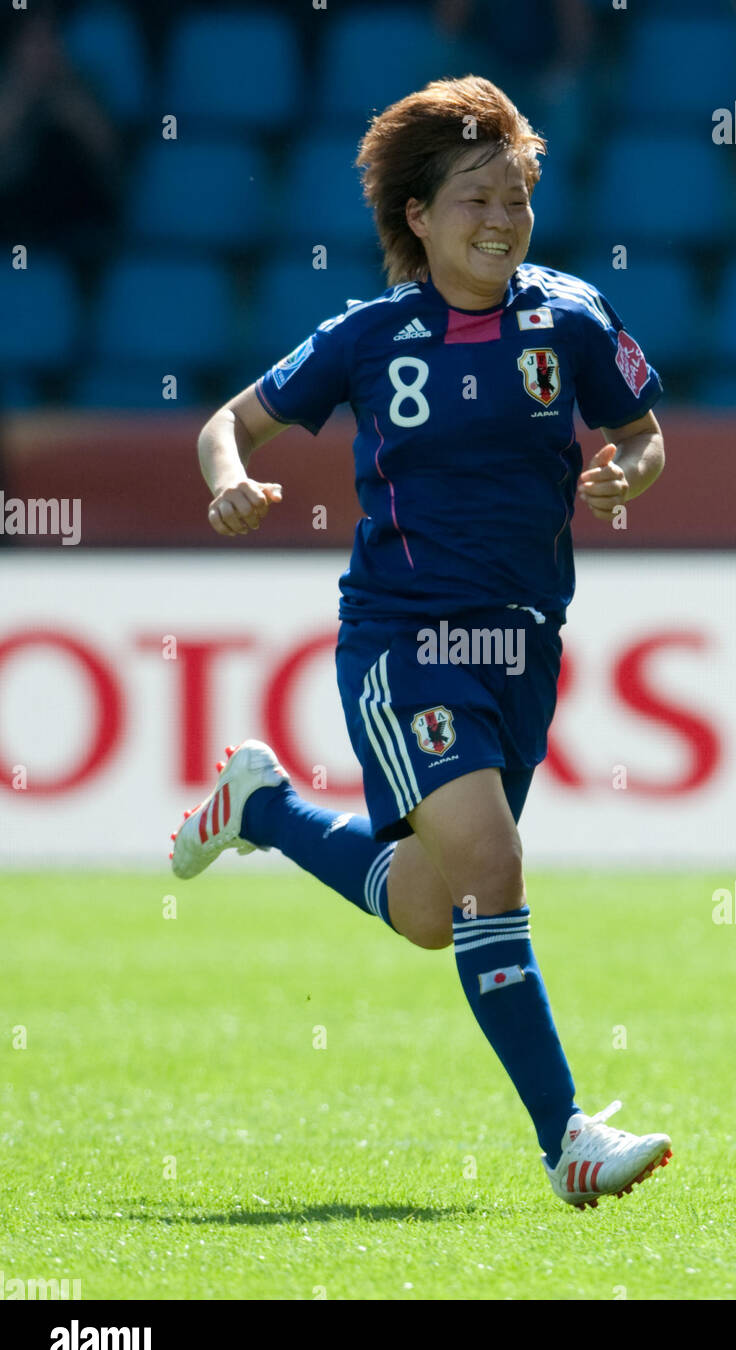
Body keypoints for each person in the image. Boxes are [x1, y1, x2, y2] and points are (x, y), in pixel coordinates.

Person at [171, 76, 671, 1209]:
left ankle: (262, 807)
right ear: (419, 216)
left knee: (432, 912)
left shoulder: (573, 317)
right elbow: (225, 422)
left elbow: (643, 434)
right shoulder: (366, 336)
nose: (502, 219)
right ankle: (570, 1139)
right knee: (494, 867)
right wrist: (232, 477)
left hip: (526, 645)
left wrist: (627, 474)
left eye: (517, 197)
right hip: (404, 641)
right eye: (476, 199)